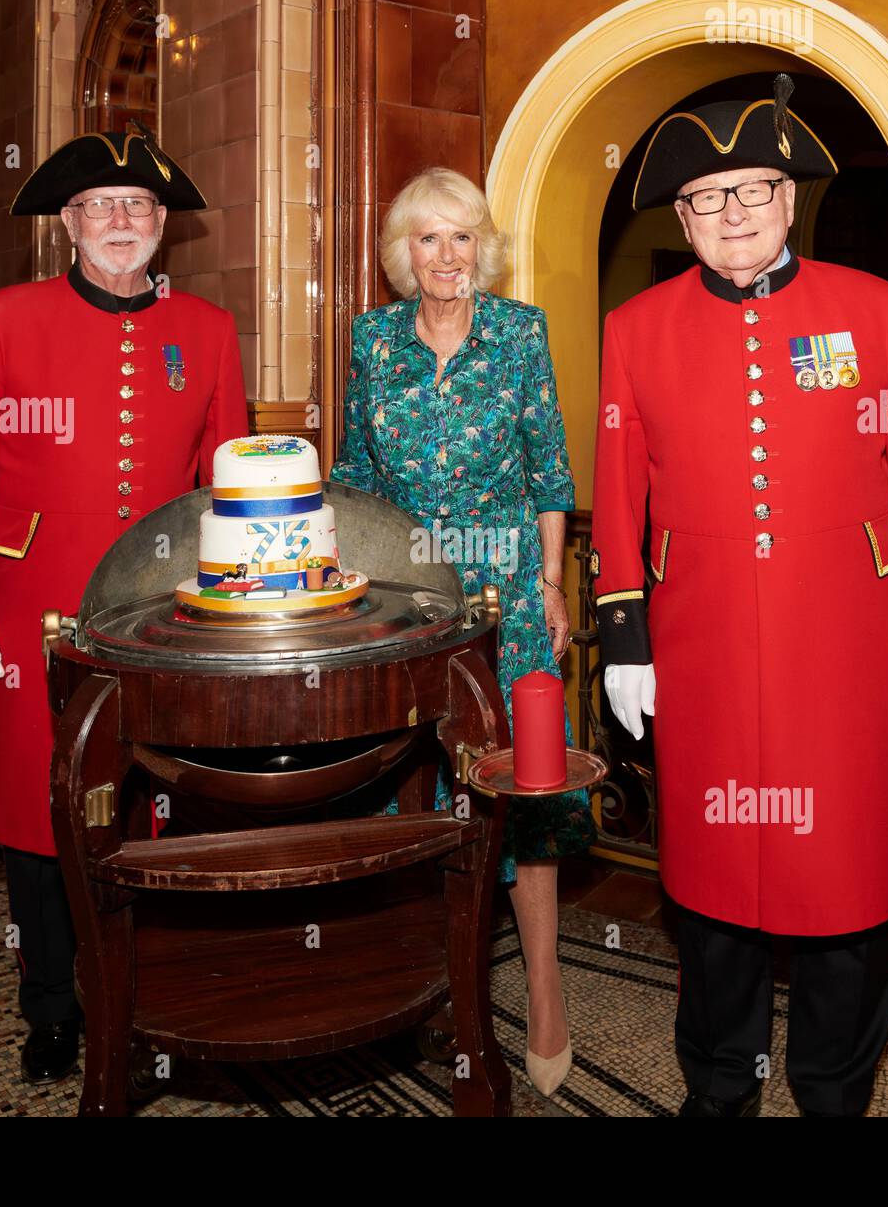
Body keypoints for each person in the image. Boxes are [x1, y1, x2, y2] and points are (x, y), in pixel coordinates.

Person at [591, 76, 888, 1117]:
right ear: (682, 218)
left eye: (752, 188)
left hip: (844, 649)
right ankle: (720, 1090)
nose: (734, 213)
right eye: (707, 199)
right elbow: (617, 493)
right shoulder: (636, 328)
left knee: (848, 890)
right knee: (712, 898)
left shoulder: (871, 311)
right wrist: (625, 637)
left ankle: (835, 1092)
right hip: (700, 653)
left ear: (788, 196)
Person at [0, 123, 249, 1084]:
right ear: (68, 222)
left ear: (162, 226)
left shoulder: (207, 332)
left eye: (139, 207)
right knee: (40, 821)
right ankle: (53, 1009)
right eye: (101, 206)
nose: (121, 220)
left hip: (157, 621)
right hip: (28, 614)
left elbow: (226, 482)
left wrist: (239, 605)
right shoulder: (4, 318)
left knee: (151, 809)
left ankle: (144, 994)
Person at [329, 166, 595, 1096]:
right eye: (428, 239)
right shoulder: (370, 341)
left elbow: (549, 469)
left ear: (484, 248)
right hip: (410, 604)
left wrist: (554, 585)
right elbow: (354, 473)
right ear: (405, 255)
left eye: (463, 237)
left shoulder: (520, 335)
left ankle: (550, 990)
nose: (447, 256)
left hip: (508, 600)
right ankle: (438, 980)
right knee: (420, 787)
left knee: (524, 793)